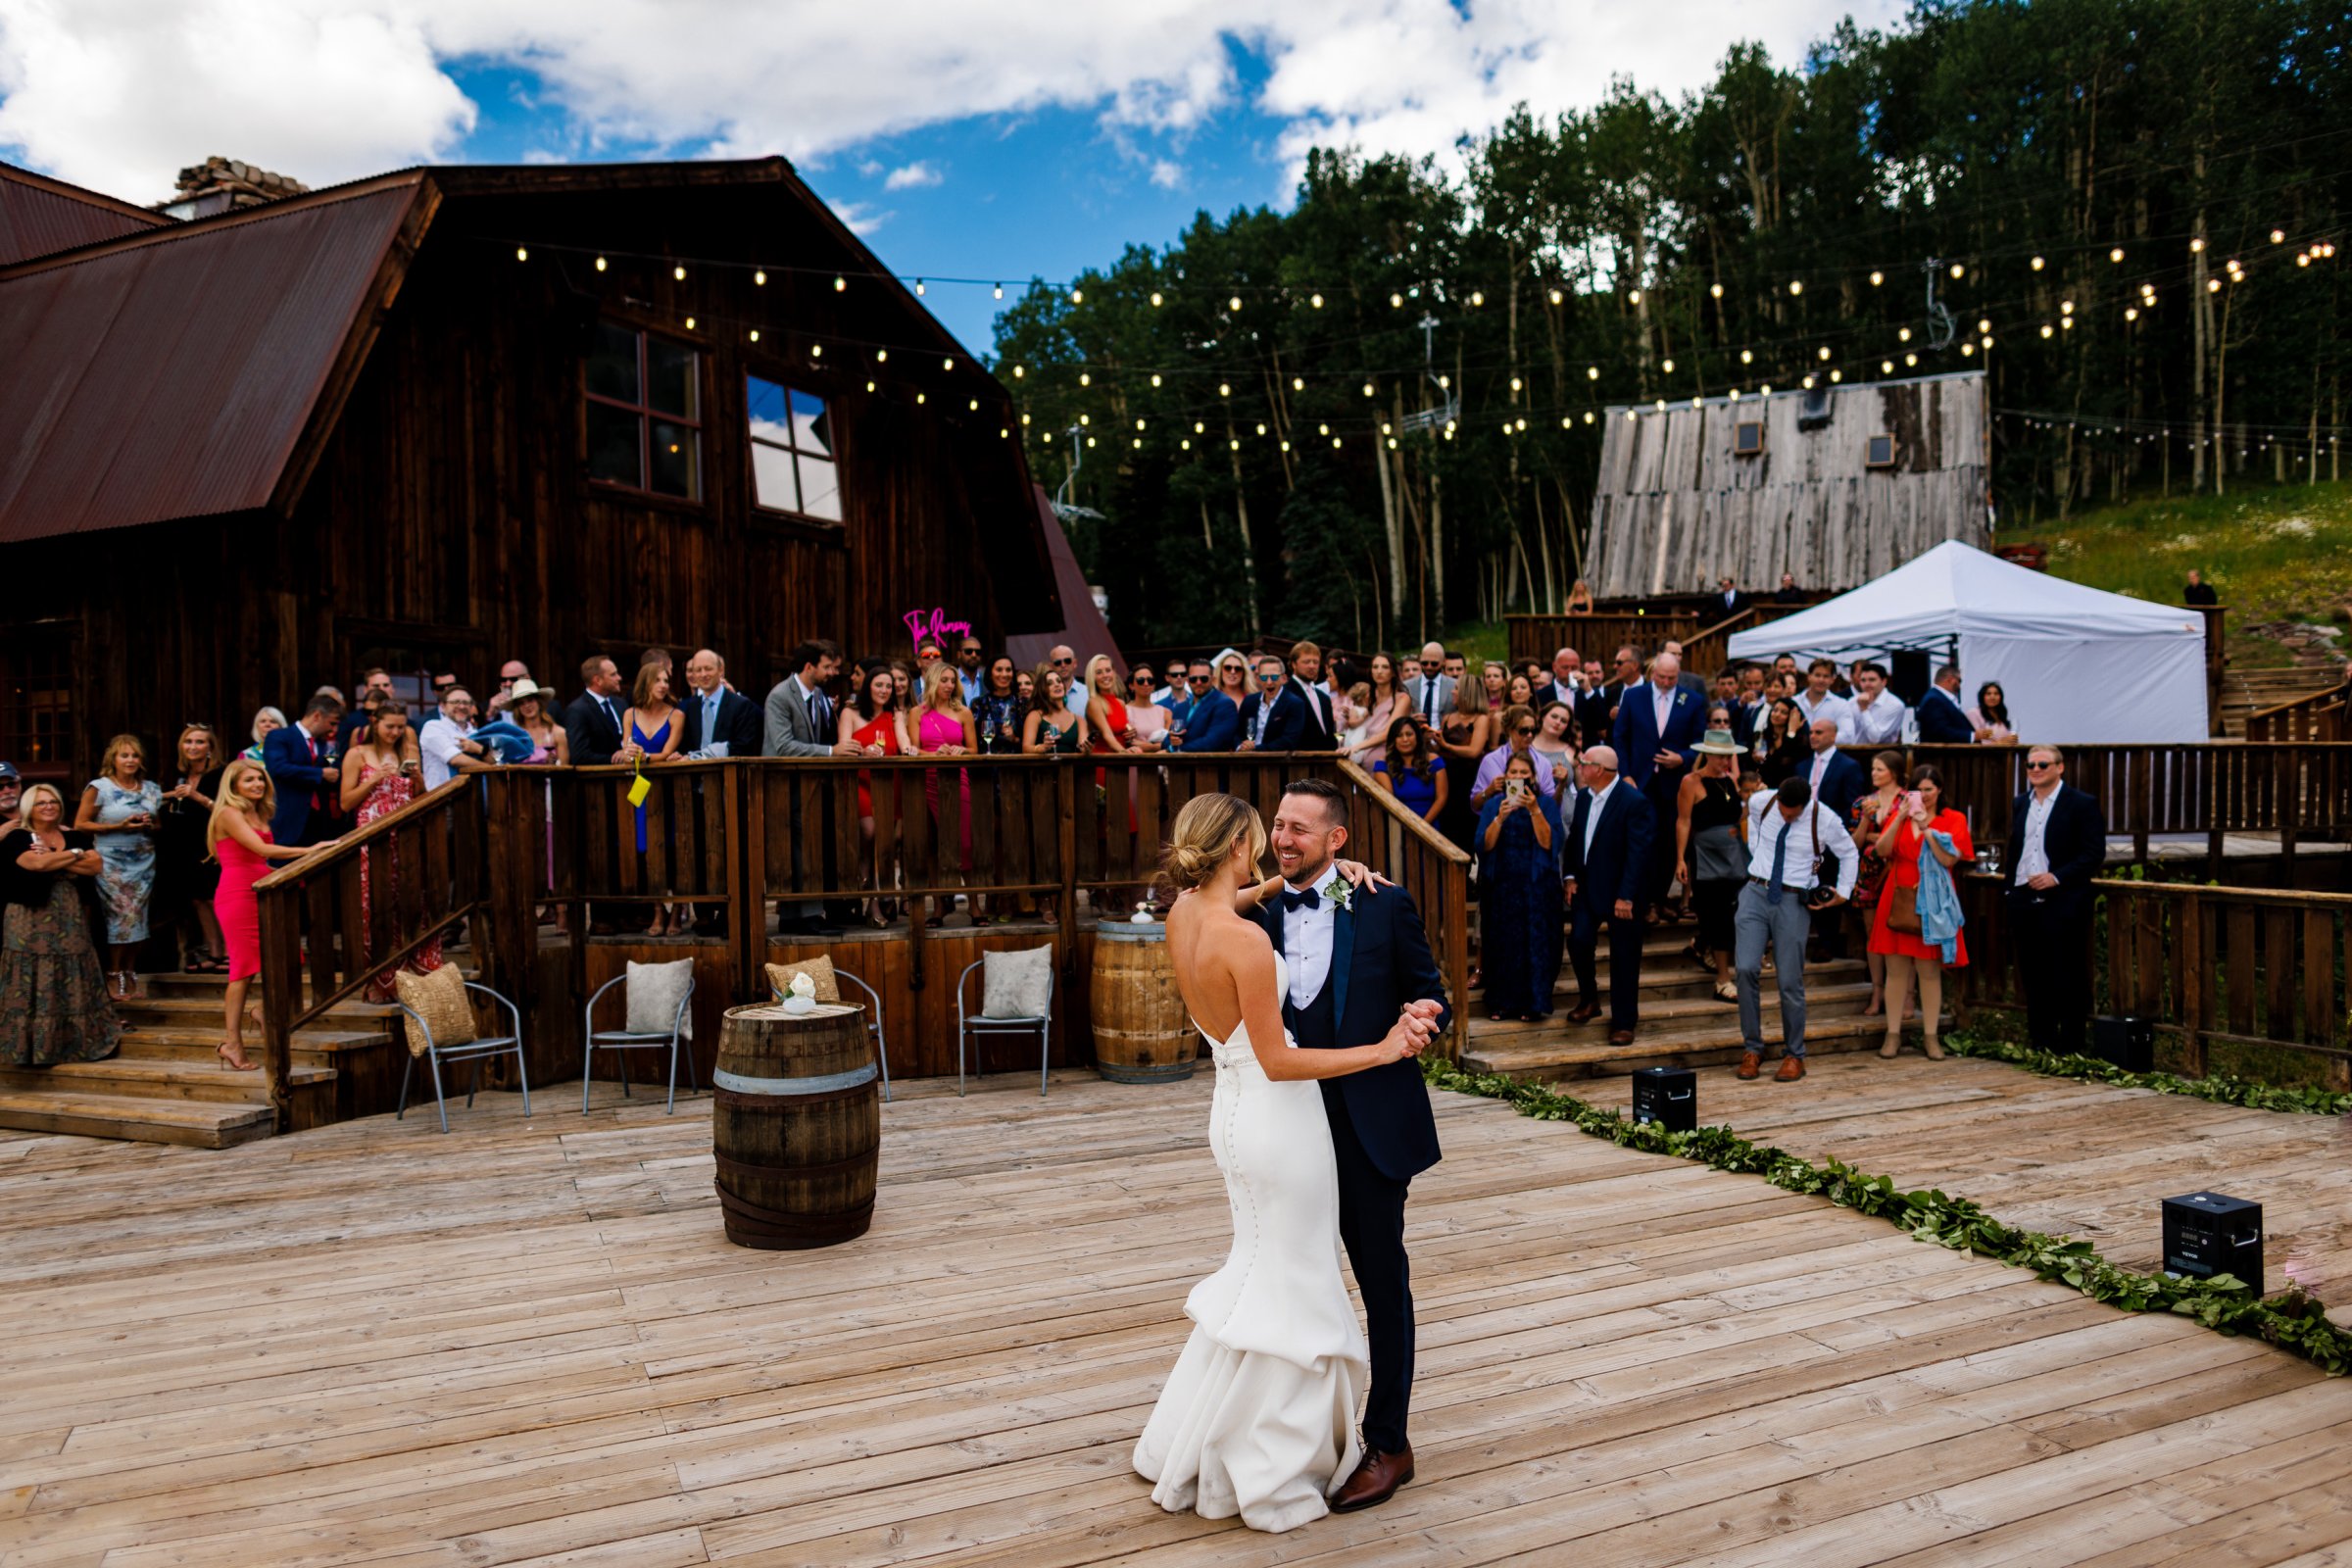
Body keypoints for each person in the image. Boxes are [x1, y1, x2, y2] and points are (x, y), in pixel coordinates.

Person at [1139, 790, 1442, 1530]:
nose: (1281, 840)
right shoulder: (1244, 920)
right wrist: (1380, 1052)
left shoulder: (1381, 903)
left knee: (1378, 1282)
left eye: (1298, 829)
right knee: (1291, 1277)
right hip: (1288, 1125)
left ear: (1335, 837)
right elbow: (1278, 1053)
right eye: (1272, 827)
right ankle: (1280, 1446)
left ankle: (1387, 1443)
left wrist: (1424, 1015)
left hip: (1353, 1129)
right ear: (1242, 843)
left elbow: (1429, 988)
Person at [1733, 776, 1859, 1082]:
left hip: (1792, 899)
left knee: (1789, 979)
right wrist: (1757, 856)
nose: (1788, 817)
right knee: (1746, 968)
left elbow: (1849, 852)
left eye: (1794, 814)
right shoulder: (1763, 801)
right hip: (1755, 892)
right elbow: (1750, 822)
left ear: (1806, 805)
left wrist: (1843, 890)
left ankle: (1794, 1054)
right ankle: (1753, 1048)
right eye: (1784, 812)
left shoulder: (1825, 818)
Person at [208, 758, 328, 1070]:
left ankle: (261, 1010)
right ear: (233, 785)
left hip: (264, 888)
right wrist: (312, 849)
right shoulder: (229, 813)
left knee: (290, 956)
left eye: (260, 780)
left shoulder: (259, 813)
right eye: (249, 780)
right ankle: (233, 1044)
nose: (257, 785)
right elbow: (261, 852)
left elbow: (262, 860)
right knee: (244, 969)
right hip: (237, 893)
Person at [2, 782, 120, 1067]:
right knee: (33, 975)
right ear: (30, 806)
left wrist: (60, 856)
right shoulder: (17, 836)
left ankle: (72, 1043)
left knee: (72, 971)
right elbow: (35, 864)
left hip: (69, 915)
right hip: (28, 917)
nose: (48, 806)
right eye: (41, 802)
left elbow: (95, 866)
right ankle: (32, 1048)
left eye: (53, 801)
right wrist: (75, 855)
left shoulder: (76, 835)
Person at [2006, 745, 2106, 1056]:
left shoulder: (2081, 804)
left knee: (2067, 972)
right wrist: (2010, 889)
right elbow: (2016, 848)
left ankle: (2071, 1045)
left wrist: (2056, 876)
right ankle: (2040, 1042)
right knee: (2032, 973)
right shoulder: (2021, 803)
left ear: (2060, 768)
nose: (2036, 770)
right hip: (2024, 896)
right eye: (2031, 765)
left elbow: (2093, 853)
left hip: (2062, 897)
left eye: (2043, 764)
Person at [339, 703, 441, 999]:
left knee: (409, 900)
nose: (395, 732)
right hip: (373, 836)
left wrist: (419, 782)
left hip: (407, 836)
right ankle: (378, 978)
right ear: (375, 722)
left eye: (400, 727)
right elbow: (346, 802)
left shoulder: (408, 751)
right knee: (374, 905)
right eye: (389, 727)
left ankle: (412, 971)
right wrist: (374, 779)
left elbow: (419, 797)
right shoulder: (356, 754)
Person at [1869, 764, 1971, 1059]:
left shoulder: (1952, 819)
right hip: (1897, 893)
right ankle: (1892, 1035)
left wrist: (1927, 827)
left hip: (1932, 898)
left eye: (1929, 789)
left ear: (1939, 790)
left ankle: (1930, 1037)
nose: (1924, 796)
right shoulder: (1899, 817)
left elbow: (1949, 859)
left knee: (1928, 971)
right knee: (1896, 970)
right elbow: (1883, 851)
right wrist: (1900, 816)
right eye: (1918, 790)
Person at [1561, 745, 1651, 1044]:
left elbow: (1638, 854)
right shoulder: (1585, 798)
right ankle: (1590, 999)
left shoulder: (1633, 802)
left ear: (1598, 770)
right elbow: (1576, 839)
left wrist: (1626, 896)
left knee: (1625, 956)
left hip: (1621, 893)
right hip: (1587, 887)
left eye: (1584, 763)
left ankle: (1624, 1021)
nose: (1580, 767)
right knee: (1579, 940)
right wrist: (1571, 876)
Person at [1611, 651, 1707, 921]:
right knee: (1643, 840)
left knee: (1669, 841)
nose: (1666, 682)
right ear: (1653, 673)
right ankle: (1644, 901)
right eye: (1662, 677)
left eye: (1672, 678)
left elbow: (1700, 740)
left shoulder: (1693, 700)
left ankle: (1660, 898)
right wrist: (1626, 774)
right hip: (1639, 781)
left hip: (1673, 783)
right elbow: (1620, 737)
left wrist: (1683, 758)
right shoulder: (1634, 696)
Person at [74, 734, 162, 1000]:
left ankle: (130, 970)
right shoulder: (99, 787)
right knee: (122, 916)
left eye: (135, 755)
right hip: (111, 862)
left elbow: (158, 825)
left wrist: (149, 825)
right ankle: (114, 972)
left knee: (138, 916)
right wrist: (117, 826)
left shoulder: (151, 789)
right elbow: (81, 823)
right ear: (113, 759)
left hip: (143, 860)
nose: (130, 760)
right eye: (124, 755)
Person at [1479, 754, 1560, 1022]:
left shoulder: (1546, 804)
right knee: (1500, 943)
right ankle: (1500, 1003)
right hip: (1502, 886)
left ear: (1533, 777)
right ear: (1506, 776)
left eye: (1523, 772)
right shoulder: (1493, 805)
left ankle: (1532, 1003)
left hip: (1536, 887)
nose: (1518, 776)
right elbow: (1484, 845)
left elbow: (1549, 843)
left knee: (1534, 944)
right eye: (1513, 771)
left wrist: (1534, 809)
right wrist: (1499, 818)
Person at [1675, 729, 1749, 1003]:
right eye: (1719, 756)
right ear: (1707, 754)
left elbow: (1736, 817)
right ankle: (1722, 978)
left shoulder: (1730, 780)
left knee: (1731, 912)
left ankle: (1700, 945)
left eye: (1727, 756)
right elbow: (1683, 821)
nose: (1724, 761)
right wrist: (1680, 858)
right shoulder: (1691, 781)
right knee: (1715, 913)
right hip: (1706, 857)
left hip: (1734, 856)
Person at [156, 723, 227, 973]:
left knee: (215, 897)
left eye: (199, 742)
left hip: (212, 842)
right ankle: (215, 953)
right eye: (188, 742)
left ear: (210, 748)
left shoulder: (220, 774)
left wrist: (196, 796)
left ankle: (230, 953)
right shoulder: (179, 775)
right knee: (198, 900)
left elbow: (228, 809)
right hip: (185, 844)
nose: (193, 747)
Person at [621, 663, 685, 934]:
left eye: (666, 680)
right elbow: (626, 745)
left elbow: (669, 750)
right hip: (642, 789)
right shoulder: (629, 713)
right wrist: (627, 752)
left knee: (673, 850)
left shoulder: (676, 715)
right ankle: (658, 910)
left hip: (668, 789)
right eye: (657, 680)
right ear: (645, 683)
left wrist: (646, 756)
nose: (663, 685)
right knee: (646, 850)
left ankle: (678, 911)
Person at [1848, 752, 1906, 1017]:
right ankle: (1877, 991)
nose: (1874, 774)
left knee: (1902, 929)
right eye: (1872, 769)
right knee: (1872, 933)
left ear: (1893, 772)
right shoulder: (1863, 803)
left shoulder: (1906, 801)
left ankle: (1907, 994)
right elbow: (1855, 844)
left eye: (1879, 769)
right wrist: (1865, 823)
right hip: (1869, 871)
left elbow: (1903, 838)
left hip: (1896, 870)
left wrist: (1878, 836)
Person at [263, 696, 344, 848]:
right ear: (317, 716)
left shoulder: (324, 743)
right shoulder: (280, 736)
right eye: (332, 723)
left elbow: (333, 767)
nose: (333, 730)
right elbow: (278, 768)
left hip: (319, 820)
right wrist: (320, 774)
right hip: (288, 818)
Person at [762, 640, 862, 760]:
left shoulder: (817, 693)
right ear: (809, 667)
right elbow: (784, 747)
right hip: (782, 776)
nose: (831, 673)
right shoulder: (779, 697)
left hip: (810, 776)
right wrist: (831, 751)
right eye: (826, 667)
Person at [1434, 676, 1491, 851]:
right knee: (1447, 825)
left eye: (1457, 688)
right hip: (1446, 776)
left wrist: (1446, 745)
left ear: (1467, 693)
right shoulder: (1447, 718)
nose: (1453, 691)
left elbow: (1474, 751)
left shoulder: (1481, 719)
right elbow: (1440, 749)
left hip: (1468, 778)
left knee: (1466, 828)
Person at [1469, 705, 1557, 808]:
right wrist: (1489, 790)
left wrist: (1562, 785)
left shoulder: (1543, 763)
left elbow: (1553, 806)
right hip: (1499, 820)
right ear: (1509, 730)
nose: (1529, 735)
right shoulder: (1492, 761)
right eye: (1524, 731)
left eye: (1533, 731)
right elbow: (1475, 805)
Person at [680, 650, 760, 759]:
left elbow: (743, 746)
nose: (703, 674)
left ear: (721, 670)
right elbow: (686, 745)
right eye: (698, 670)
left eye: (708, 669)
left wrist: (702, 756)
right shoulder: (690, 707)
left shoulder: (741, 705)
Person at [1372, 717, 1446, 825]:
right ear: (1393, 740)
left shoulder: (1434, 761)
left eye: (1409, 734)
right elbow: (1390, 800)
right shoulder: (1383, 764)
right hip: (1397, 827)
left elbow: (1441, 798)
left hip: (1429, 828)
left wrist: (1422, 826)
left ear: (1417, 736)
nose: (1405, 739)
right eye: (1399, 735)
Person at [1348, 654, 1413, 770]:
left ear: (1393, 672)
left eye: (1385, 667)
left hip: (1387, 755)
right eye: (1375, 667)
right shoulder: (1370, 698)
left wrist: (1357, 747)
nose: (1379, 671)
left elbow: (1388, 733)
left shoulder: (1402, 698)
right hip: (1364, 752)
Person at [417, 689, 492, 790]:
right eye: (455, 702)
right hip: (442, 799)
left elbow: (495, 760)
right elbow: (455, 759)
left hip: (477, 797)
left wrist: (480, 749)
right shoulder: (433, 727)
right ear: (443, 707)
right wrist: (492, 770)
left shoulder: (476, 732)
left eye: (466, 703)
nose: (461, 706)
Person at [565, 656, 627, 766]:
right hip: (599, 780)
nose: (619, 678)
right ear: (597, 680)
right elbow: (580, 756)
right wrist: (616, 759)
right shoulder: (577, 710)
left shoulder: (621, 704)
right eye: (613, 674)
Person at [1239, 656, 1308, 752]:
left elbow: (1288, 741)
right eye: (1264, 677)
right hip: (1246, 761)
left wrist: (1255, 749)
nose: (1269, 682)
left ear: (1283, 678)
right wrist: (1241, 746)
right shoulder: (1249, 701)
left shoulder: (1295, 703)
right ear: (1258, 679)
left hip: (1277, 762)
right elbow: (1237, 733)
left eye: (1274, 677)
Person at [1084, 654, 1145, 756]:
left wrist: (1130, 735)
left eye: (1108, 670)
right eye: (1099, 672)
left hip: (1120, 761)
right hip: (1104, 760)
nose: (1105, 675)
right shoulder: (1094, 702)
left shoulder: (1120, 703)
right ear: (1092, 677)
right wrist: (1125, 753)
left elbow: (1123, 734)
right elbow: (1108, 735)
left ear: (1114, 672)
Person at [1289, 641, 1340, 751]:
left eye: (1315, 662)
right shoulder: (1285, 693)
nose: (1312, 666)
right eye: (1306, 662)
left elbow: (1329, 735)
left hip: (1326, 762)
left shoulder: (1324, 698)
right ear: (1294, 664)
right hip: (1297, 763)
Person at [972, 656, 1026, 755]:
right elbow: (972, 742)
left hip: (1017, 764)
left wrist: (1015, 739)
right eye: (999, 670)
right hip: (986, 764)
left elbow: (1033, 742)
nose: (1004, 674)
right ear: (990, 674)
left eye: (1008, 670)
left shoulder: (1022, 703)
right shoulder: (979, 704)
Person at [1793, 658, 1856, 741]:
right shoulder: (1794, 702)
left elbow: (1848, 736)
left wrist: (1819, 740)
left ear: (1832, 680)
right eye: (1817, 675)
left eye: (1826, 676)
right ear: (1809, 677)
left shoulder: (1841, 704)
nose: (1821, 680)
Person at [1847, 662, 1907, 746]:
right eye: (1863, 680)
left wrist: (1864, 710)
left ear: (1883, 681)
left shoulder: (1895, 705)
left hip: (1882, 754)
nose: (1867, 684)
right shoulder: (1852, 702)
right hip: (1851, 752)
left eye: (1872, 680)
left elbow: (1875, 739)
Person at [1915, 663, 1976, 745]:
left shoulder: (1939, 698)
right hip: (1942, 755)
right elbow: (1940, 732)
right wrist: (1973, 736)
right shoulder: (1933, 700)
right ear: (1950, 679)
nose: (1960, 686)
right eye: (1959, 681)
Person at [1754, 697, 1809, 786]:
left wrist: (1791, 731)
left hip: (1787, 788)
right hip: (1763, 788)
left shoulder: (1799, 741)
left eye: (1784, 712)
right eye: (1775, 710)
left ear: (1793, 717)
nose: (1777, 715)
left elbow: (1782, 761)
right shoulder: (1765, 735)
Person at [1528, 702, 1577, 795]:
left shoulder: (1572, 750)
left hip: (1564, 807)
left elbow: (1584, 788)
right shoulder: (1524, 743)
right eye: (1554, 716)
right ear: (1542, 717)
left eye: (1563, 721)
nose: (1558, 722)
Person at [1408, 641, 1454, 717]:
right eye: (1425, 663)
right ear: (1420, 659)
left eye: (1434, 664)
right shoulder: (1407, 686)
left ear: (1444, 662)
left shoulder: (1455, 686)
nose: (1429, 667)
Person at [954, 637, 988, 705]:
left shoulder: (987, 680)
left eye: (978, 652)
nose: (974, 655)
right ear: (959, 655)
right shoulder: (951, 680)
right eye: (968, 651)